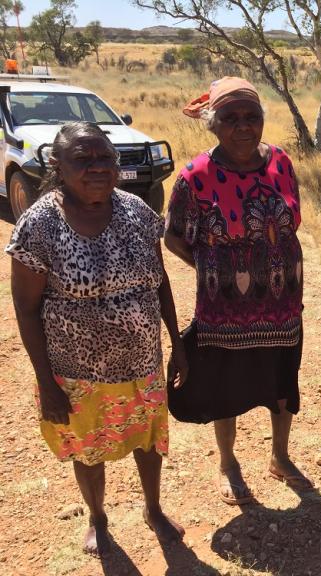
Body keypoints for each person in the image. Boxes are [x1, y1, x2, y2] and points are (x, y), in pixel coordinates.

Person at [6, 122, 186, 556]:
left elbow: (159, 281)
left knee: (147, 440)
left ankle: (153, 509)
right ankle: (98, 518)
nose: (96, 168)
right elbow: (27, 310)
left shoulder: (138, 213)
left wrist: (176, 344)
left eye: (104, 158)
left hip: (143, 361)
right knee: (89, 451)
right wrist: (46, 383)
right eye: (81, 160)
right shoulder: (38, 226)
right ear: (57, 166)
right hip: (76, 373)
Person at [166, 77, 311, 503]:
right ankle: (228, 463)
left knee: (283, 382)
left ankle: (279, 457)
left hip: (283, 304)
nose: (243, 126)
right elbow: (174, 237)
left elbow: (292, 221)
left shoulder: (281, 162)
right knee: (225, 387)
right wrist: (216, 269)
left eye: (252, 116)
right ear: (213, 123)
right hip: (224, 309)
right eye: (231, 118)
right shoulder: (196, 176)